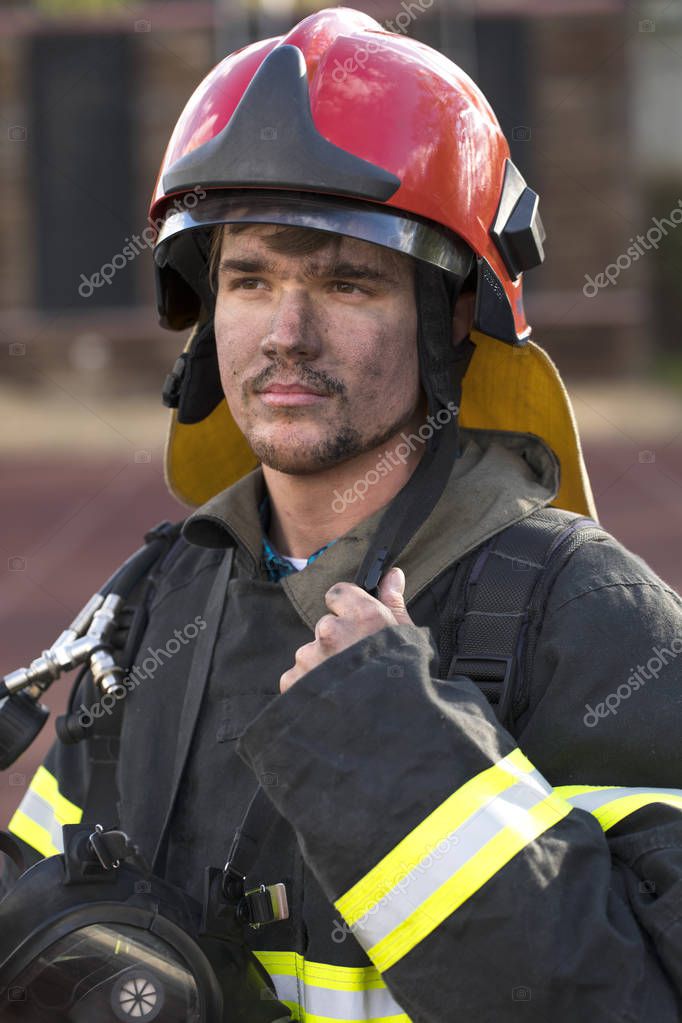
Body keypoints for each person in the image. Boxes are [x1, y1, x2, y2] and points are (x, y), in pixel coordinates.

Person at [5, 7, 682, 1020]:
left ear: (454, 316)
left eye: (347, 281)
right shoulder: (152, 603)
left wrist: (394, 752)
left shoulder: (592, 622)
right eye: (248, 279)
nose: (286, 332)